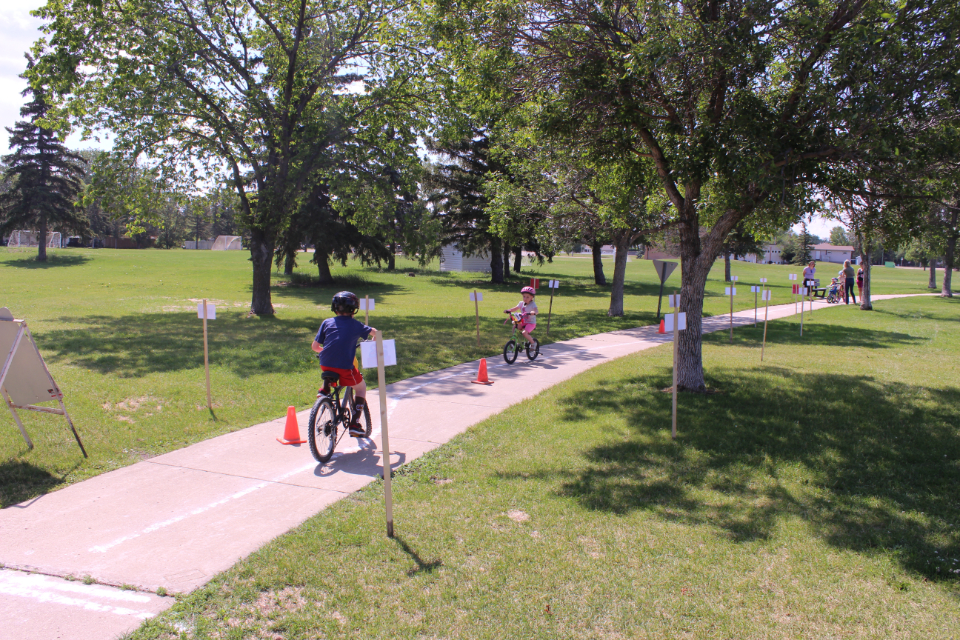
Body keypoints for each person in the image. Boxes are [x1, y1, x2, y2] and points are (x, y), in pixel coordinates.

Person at [311, 291, 376, 437]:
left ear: (334, 308)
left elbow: (315, 347)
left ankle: (324, 390)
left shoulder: (326, 322)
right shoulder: (356, 325)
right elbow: (376, 333)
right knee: (361, 388)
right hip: (345, 367)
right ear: (354, 309)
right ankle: (354, 424)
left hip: (325, 363)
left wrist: (327, 350)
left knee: (332, 371)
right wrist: (373, 341)